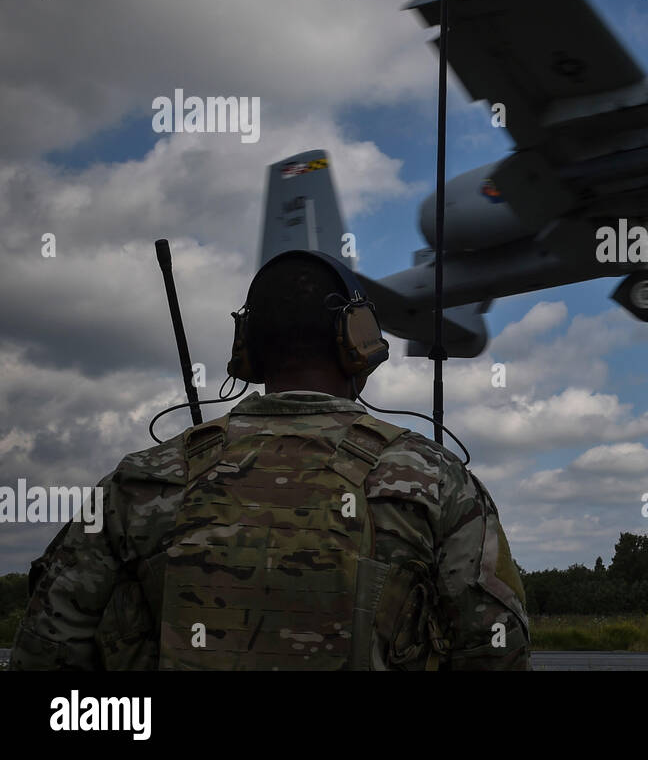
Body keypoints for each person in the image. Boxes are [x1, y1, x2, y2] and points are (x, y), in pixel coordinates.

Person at [10, 250, 529, 670]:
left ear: (246, 349)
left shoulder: (139, 485)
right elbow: (498, 652)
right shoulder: (437, 484)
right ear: (359, 343)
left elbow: (47, 649)